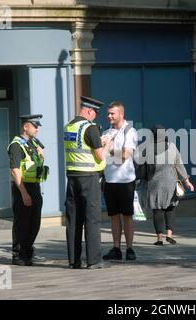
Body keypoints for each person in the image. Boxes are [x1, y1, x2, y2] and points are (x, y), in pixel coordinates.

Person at [64, 96, 112, 269]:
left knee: (73, 219)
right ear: (89, 111)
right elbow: (100, 155)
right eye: (95, 113)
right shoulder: (90, 128)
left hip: (72, 178)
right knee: (92, 219)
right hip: (89, 177)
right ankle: (94, 260)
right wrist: (106, 144)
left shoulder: (69, 126)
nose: (95, 117)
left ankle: (73, 260)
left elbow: (79, 147)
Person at [7, 114, 48, 266]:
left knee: (34, 223)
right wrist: (24, 193)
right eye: (34, 126)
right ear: (25, 127)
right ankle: (18, 254)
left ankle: (28, 251)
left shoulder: (33, 143)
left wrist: (41, 156)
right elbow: (15, 171)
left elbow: (36, 164)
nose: (37, 129)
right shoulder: (16, 145)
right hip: (22, 187)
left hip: (35, 186)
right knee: (21, 223)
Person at [144, 125, 194, 245]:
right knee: (170, 209)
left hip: (154, 184)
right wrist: (187, 181)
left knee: (157, 211)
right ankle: (169, 235)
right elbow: (179, 165)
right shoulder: (171, 147)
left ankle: (159, 238)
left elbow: (142, 169)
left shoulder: (147, 149)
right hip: (170, 183)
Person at [101, 101, 138, 261]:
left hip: (125, 181)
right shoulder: (107, 132)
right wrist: (102, 147)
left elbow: (124, 156)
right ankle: (116, 247)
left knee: (127, 215)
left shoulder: (130, 131)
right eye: (108, 113)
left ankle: (129, 248)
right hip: (110, 180)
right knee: (114, 216)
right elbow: (101, 156)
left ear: (121, 114)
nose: (109, 116)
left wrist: (108, 148)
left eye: (112, 113)